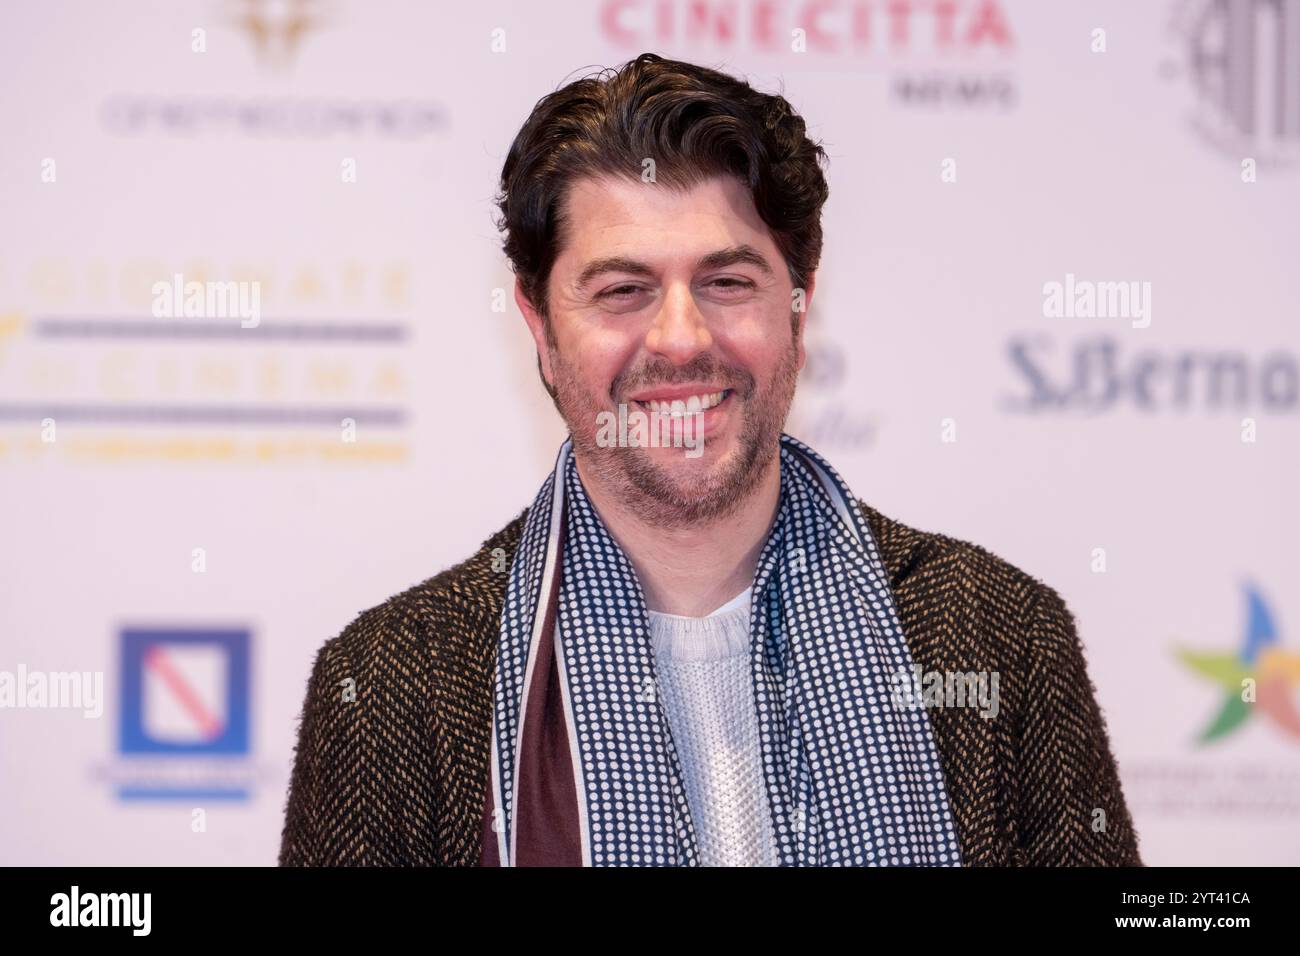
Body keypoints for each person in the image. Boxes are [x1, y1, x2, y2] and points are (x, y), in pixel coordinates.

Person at [279, 52, 1141, 867]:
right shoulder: (395, 684)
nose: (683, 339)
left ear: (799, 309)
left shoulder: (999, 635)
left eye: (728, 283)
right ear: (540, 328)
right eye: (623, 290)